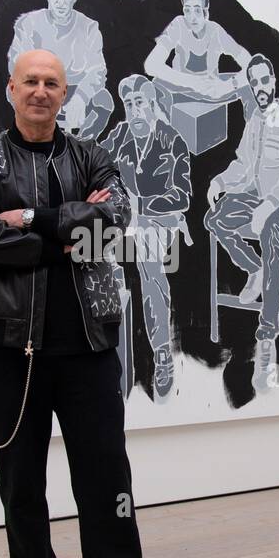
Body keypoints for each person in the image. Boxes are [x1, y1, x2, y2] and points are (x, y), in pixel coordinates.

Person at [0, 48, 189, 558]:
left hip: (88, 341)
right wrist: (67, 234)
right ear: (11, 89)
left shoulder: (91, 154)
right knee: (20, 478)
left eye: (51, 82)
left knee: (106, 474)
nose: (40, 90)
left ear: (65, 93)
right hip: (5, 344)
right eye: (29, 81)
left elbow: (116, 222)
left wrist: (32, 218)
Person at [204, 54, 279, 390]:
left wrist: (271, 204)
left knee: (271, 236)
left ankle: (268, 329)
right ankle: (253, 269)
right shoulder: (253, 124)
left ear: (273, 82)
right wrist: (220, 182)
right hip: (254, 198)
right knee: (215, 218)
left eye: (265, 81)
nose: (260, 88)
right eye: (255, 83)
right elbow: (242, 166)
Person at [101, 74, 193, 401]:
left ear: (152, 105)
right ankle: (101, 350)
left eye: (140, 103)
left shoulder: (172, 139)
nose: (135, 111)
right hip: (126, 218)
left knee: (149, 262)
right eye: (129, 105)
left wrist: (143, 206)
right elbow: (97, 164)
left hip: (160, 221)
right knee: (84, 251)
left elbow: (182, 196)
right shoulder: (120, 134)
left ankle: (162, 353)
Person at [7, 0, 113, 140]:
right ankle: (31, 141)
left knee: (104, 100)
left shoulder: (89, 27)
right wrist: (45, 89)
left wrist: (81, 97)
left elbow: (98, 71)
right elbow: (17, 65)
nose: (60, 0)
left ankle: (80, 146)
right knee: (12, 90)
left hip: (75, 90)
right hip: (39, 87)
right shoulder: (28, 23)